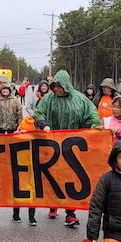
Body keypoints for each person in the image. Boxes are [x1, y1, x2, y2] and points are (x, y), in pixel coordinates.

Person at [33, 69, 100, 226]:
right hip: (52, 145)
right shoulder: (48, 99)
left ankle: (70, 213)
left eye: (59, 86)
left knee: (71, 178)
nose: (56, 89)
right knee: (53, 177)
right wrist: (44, 124)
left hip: (72, 148)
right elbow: (38, 113)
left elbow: (93, 115)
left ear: (66, 85)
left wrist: (82, 130)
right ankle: (53, 205)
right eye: (54, 86)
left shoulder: (80, 100)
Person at [0, 84, 25, 223]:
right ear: (1, 91)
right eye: (3, 90)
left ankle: (9, 156)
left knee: (11, 142)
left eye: (7, 90)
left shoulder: (14, 100)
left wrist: (20, 124)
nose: (5, 91)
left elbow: (19, 112)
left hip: (11, 126)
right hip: (0, 125)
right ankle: (1, 156)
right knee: (0, 142)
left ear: (9, 91)